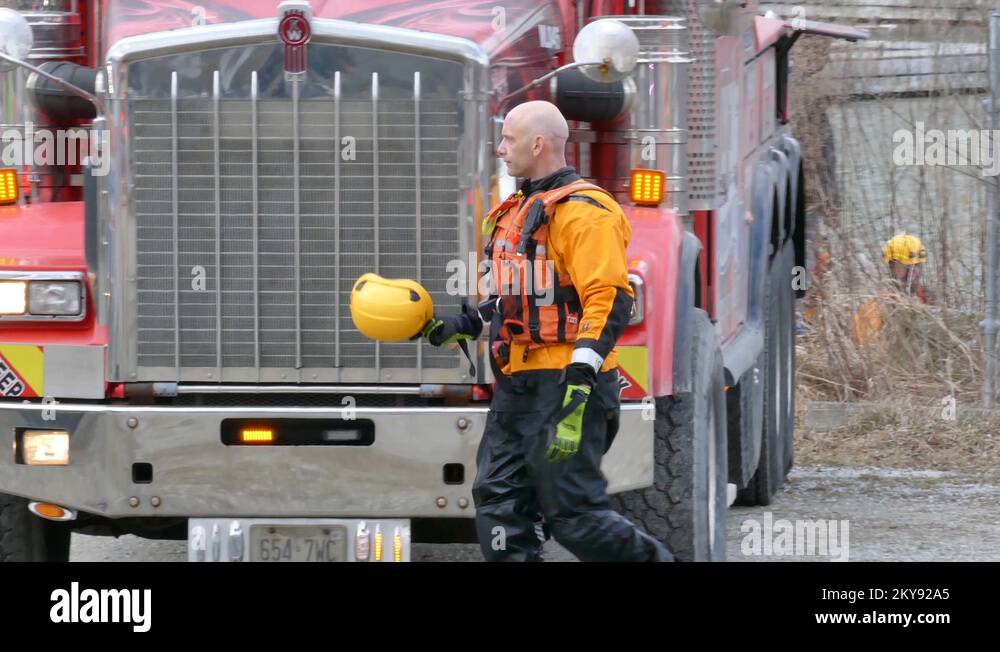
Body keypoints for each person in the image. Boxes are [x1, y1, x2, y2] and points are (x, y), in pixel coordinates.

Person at [422, 100, 674, 561]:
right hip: (518, 385)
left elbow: (609, 298)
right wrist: (465, 324)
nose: (500, 149)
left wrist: (580, 377)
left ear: (537, 144)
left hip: (567, 387)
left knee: (576, 517)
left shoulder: (586, 212)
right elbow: (520, 298)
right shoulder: (519, 209)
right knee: (499, 505)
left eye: (509, 140)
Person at [853, 233, 931, 345]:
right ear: (892, 268)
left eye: (917, 266)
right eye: (906, 267)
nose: (914, 274)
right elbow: (869, 348)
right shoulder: (875, 310)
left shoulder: (926, 299)